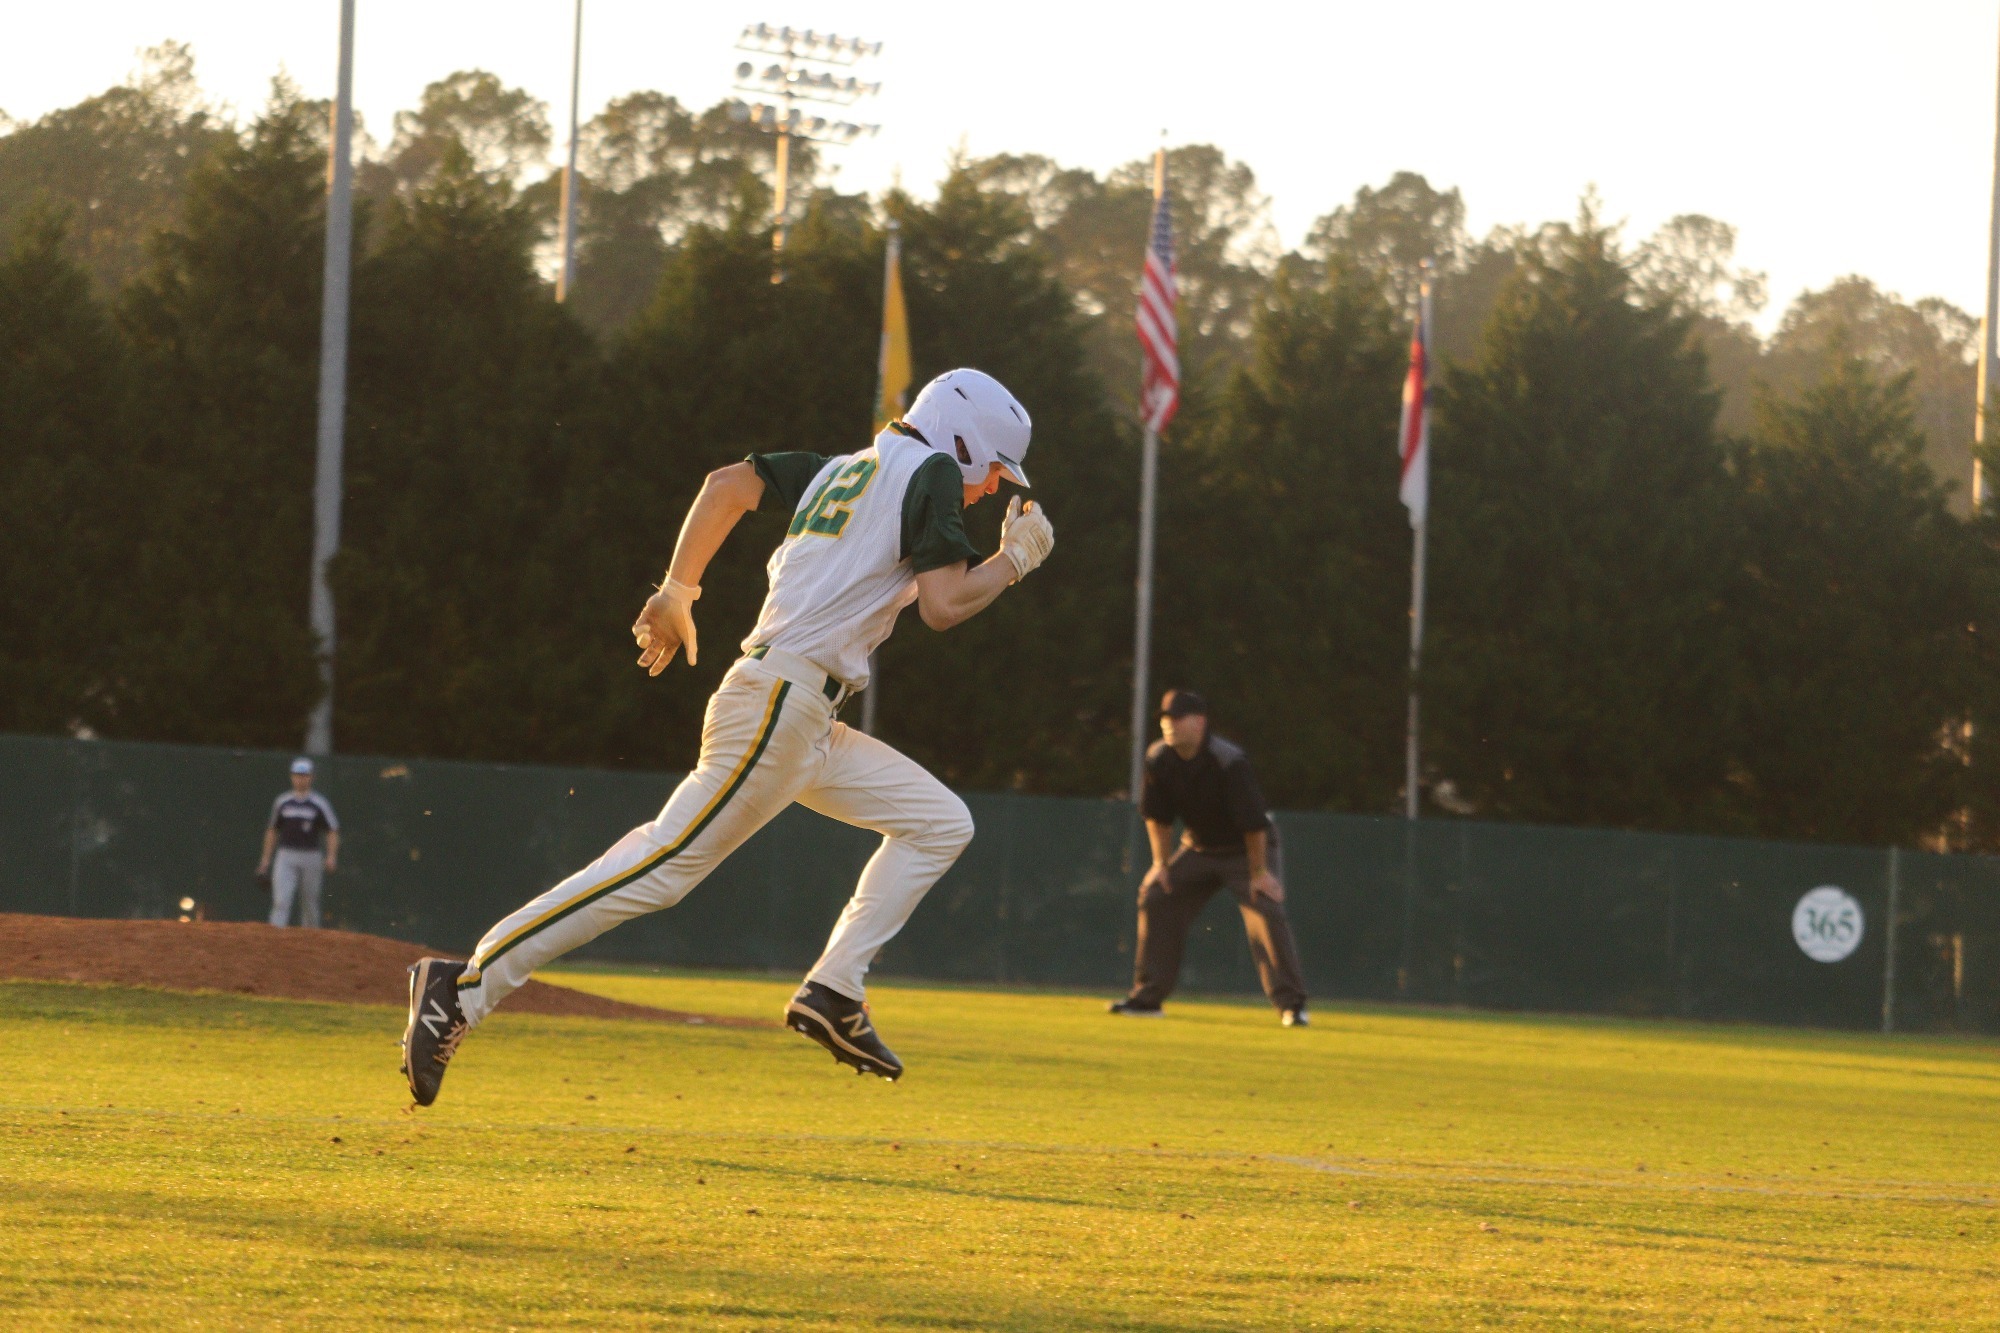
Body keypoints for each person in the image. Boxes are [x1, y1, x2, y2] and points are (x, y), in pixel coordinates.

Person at [401, 368, 1056, 1106]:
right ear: (962, 442)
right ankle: (464, 987)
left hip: (798, 710)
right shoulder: (932, 469)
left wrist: (677, 589)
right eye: (995, 469)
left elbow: (726, 487)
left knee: (940, 823)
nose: (993, 488)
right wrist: (1013, 560)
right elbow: (944, 604)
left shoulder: (844, 468)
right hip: (783, 704)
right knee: (662, 865)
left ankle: (835, 988)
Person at [1109, 689, 1310, 1025]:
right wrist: (1160, 865)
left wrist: (1259, 873)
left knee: (1265, 907)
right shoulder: (1159, 757)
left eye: (1177, 718)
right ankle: (1147, 999)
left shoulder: (1228, 760)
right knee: (1157, 896)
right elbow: (1157, 817)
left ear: (1199, 722)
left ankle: (1292, 1006)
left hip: (1247, 850)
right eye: (1165, 719)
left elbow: (1253, 823)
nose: (1169, 725)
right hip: (1199, 848)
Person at [256, 757, 339, 928]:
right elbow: (272, 830)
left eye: (304, 775)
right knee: (281, 900)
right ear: (291, 777)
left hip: (311, 855)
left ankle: (310, 939)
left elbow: (332, 830)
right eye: (297, 775)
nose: (301, 779)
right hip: (286, 854)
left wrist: (331, 856)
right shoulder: (283, 802)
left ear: (311, 777)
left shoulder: (319, 803)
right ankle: (276, 936)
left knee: (310, 901)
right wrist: (265, 860)